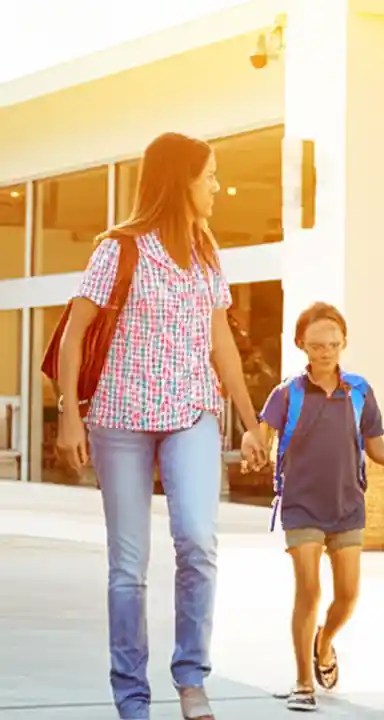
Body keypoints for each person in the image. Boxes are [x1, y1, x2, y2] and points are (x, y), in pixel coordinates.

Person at [54, 132, 269, 720]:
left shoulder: (205, 251)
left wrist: (250, 422)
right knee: (128, 566)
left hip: (191, 415)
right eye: (210, 175)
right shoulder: (118, 250)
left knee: (198, 540)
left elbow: (221, 340)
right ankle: (131, 696)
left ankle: (191, 676)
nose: (218, 187)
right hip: (119, 419)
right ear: (181, 181)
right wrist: (69, 414)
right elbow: (74, 335)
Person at [256, 303, 384, 712]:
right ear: (301, 344)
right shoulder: (287, 394)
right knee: (309, 590)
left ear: (344, 343)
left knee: (348, 596)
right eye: (318, 345)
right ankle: (303, 681)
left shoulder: (359, 391)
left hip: (347, 505)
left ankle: (325, 642)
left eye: (334, 344)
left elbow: (376, 447)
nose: (326, 352)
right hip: (301, 506)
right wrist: (253, 444)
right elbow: (262, 436)